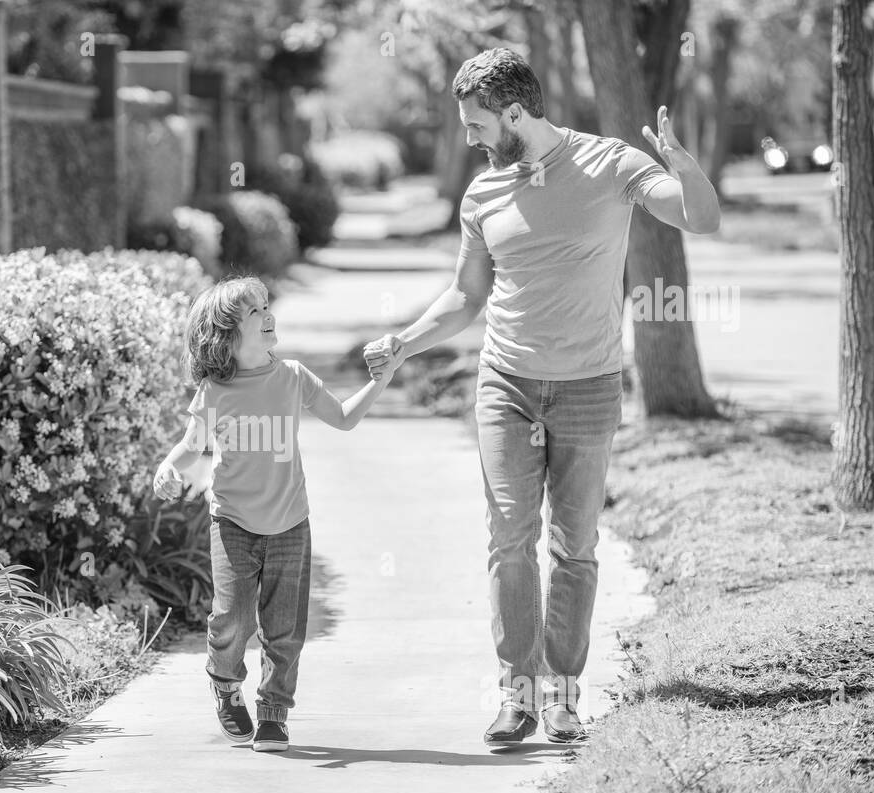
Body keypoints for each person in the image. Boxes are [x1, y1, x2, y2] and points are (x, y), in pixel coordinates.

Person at [364, 48, 720, 747]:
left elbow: (698, 219)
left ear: (517, 114)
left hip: (588, 384)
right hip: (507, 385)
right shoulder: (483, 193)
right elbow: (468, 296)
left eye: (477, 124)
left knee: (575, 544)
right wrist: (404, 341)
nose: (470, 138)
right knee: (508, 539)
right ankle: (516, 693)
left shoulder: (610, 164)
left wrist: (681, 162)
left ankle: (563, 694)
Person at [155, 276, 399, 751]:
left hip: (291, 523)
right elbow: (192, 446)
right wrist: (168, 467)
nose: (269, 315)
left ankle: (273, 712)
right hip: (233, 525)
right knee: (233, 620)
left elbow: (343, 418)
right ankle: (226, 686)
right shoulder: (216, 390)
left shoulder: (292, 377)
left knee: (285, 629)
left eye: (267, 305)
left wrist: (379, 382)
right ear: (227, 334)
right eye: (254, 312)